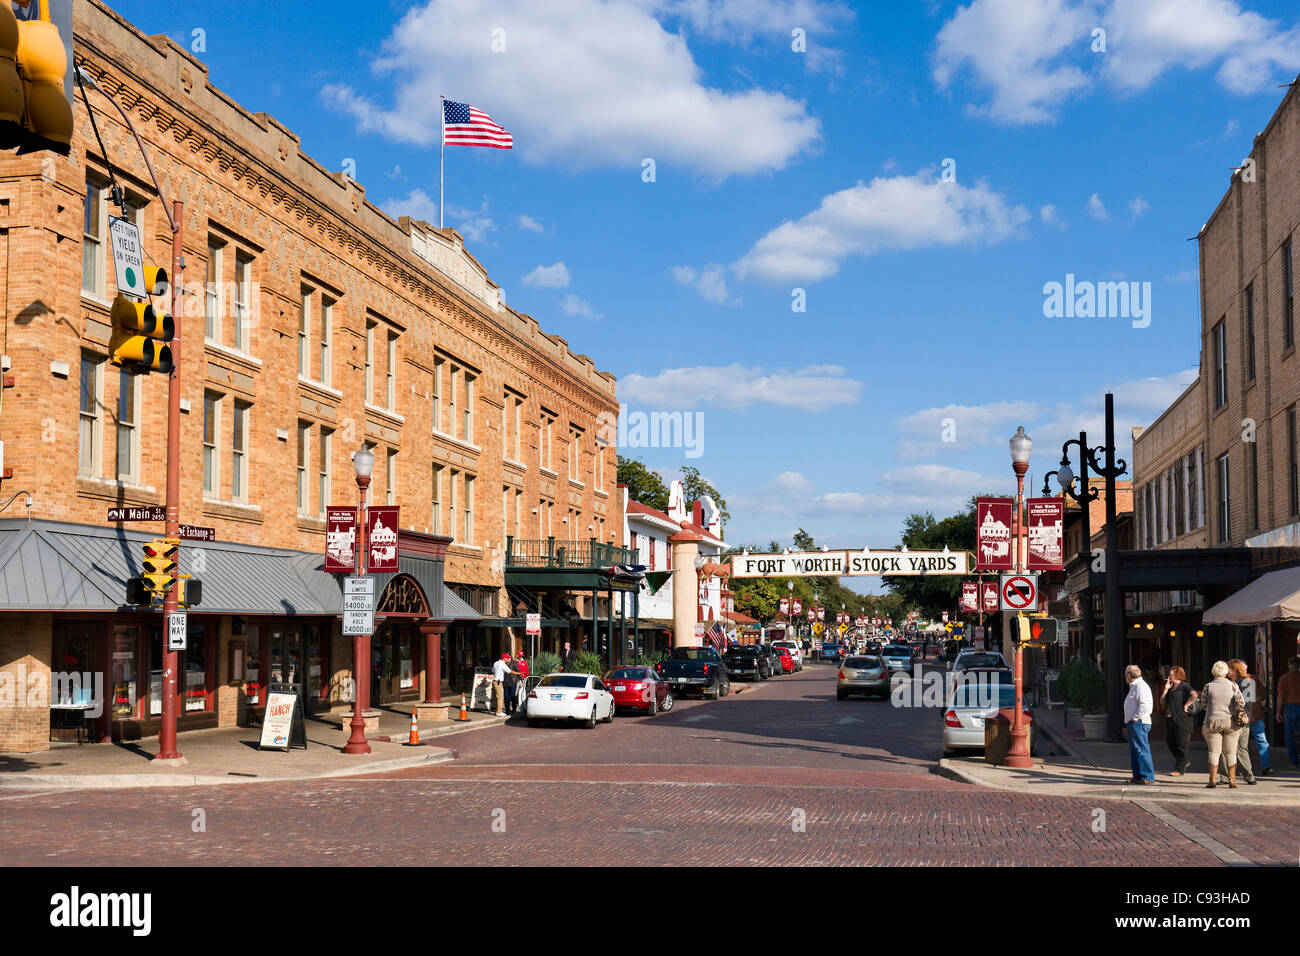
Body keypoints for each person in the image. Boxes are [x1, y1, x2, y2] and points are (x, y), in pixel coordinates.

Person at [1193, 660, 1246, 789]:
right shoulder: (1233, 685)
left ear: (1213, 671)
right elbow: (1241, 702)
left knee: (1214, 752)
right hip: (1230, 722)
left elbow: (1204, 705)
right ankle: (1232, 781)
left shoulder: (1208, 686)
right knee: (1231, 752)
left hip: (1212, 722)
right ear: (1226, 672)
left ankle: (1212, 780)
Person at [1219, 659, 1262, 783]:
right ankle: (1249, 776)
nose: (1228, 671)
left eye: (1229, 669)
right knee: (1242, 748)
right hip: (1245, 718)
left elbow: (1237, 702)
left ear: (1234, 669)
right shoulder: (1249, 682)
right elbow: (1250, 702)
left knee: (1226, 748)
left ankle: (1225, 776)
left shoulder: (1235, 684)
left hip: (1235, 719)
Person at [1159, 665, 1195, 776]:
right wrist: (1166, 689)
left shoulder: (1184, 686)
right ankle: (1184, 761)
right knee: (1170, 743)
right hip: (1170, 719)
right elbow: (1161, 702)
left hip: (1183, 720)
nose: (1169, 676)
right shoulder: (1170, 687)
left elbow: (1194, 695)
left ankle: (1179, 769)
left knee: (1181, 746)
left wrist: (1186, 705)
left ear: (1178, 675)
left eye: (1171, 674)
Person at [1123, 664, 1155, 784]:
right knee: (1135, 750)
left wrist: (1135, 718)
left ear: (1129, 675)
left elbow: (1146, 706)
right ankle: (1138, 776)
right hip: (1134, 723)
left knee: (1141, 749)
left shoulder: (1140, 686)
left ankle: (1147, 776)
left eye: (1126, 674)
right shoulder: (1135, 686)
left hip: (1139, 723)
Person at [1278, 656, 1300, 768]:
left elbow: (1281, 696)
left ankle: (1294, 761)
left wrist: (1278, 711)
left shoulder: (1284, 678)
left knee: (1289, 735)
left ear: (1289, 665)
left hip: (1289, 707)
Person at [491, 653, 512, 717]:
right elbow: (509, 671)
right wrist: (519, 673)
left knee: (496, 697)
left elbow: (492, 670)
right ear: (504, 658)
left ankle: (496, 710)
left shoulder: (496, 663)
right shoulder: (502, 664)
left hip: (494, 681)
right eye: (507, 658)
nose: (508, 659)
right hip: (498, 682)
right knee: (500, 697)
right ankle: (498, 712)